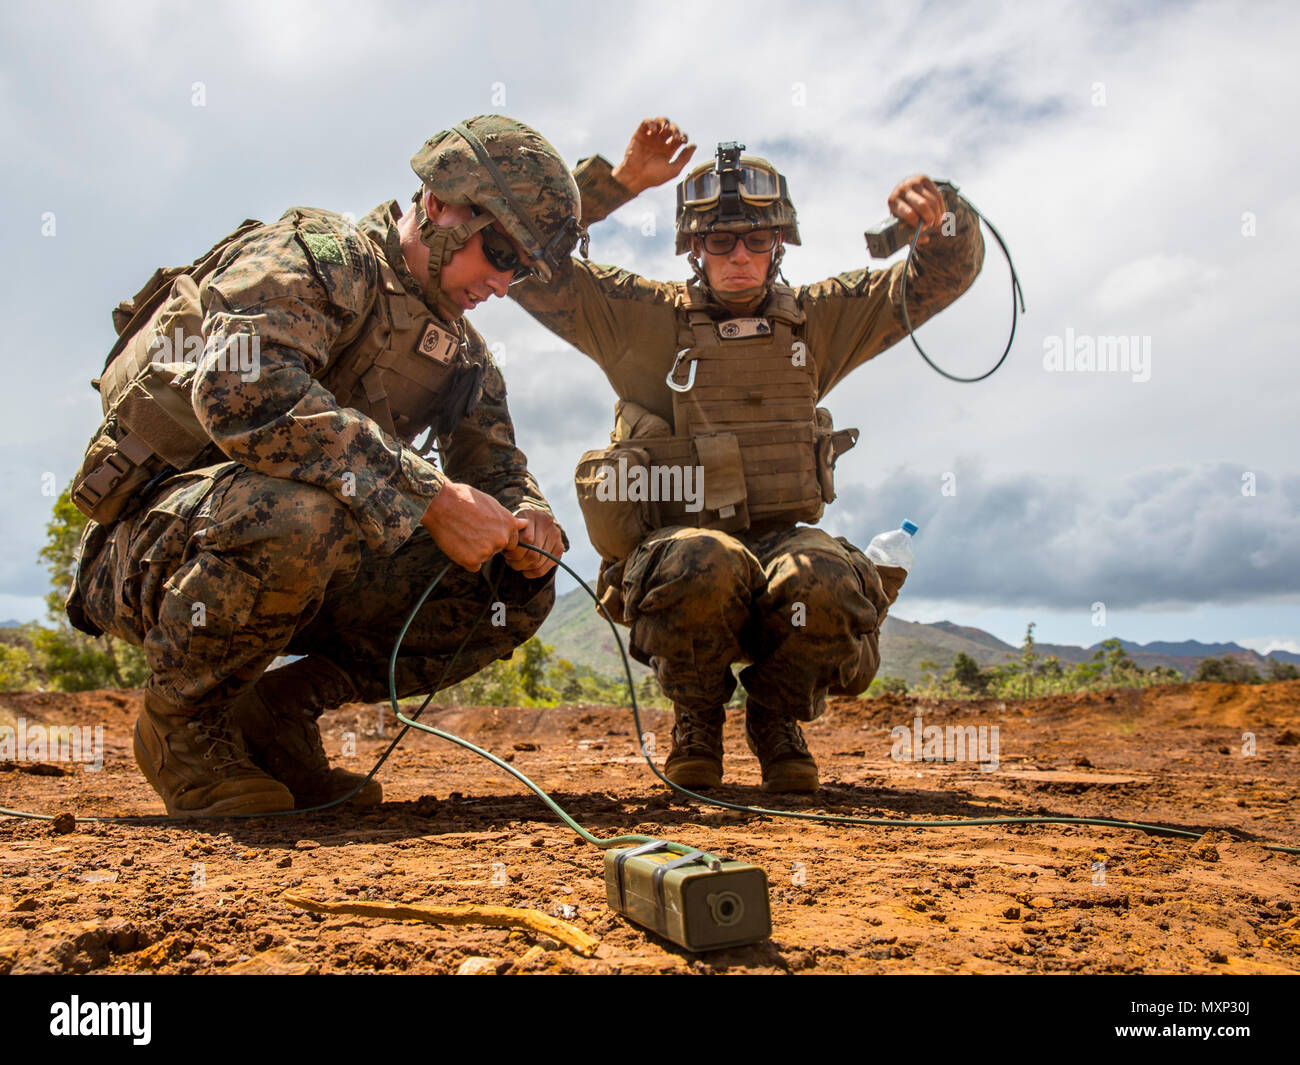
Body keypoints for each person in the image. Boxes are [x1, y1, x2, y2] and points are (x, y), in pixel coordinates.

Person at [65, 115, 576, 817]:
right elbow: (241, 391)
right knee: (306, 509)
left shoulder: (463, 355)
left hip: (304, 560)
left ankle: (274, 714)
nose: (503, 280)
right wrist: (428, 496)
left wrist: (529, 519)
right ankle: (182, 725)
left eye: (523, 267)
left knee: (508, 587)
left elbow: (495, 467)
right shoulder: (320, 255)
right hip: (154, 554)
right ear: (438, 206)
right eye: (500, 250)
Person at [511, 118, 985, 792]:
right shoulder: (641, 318)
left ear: (780, 244)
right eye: (720, 239)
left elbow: (933, 280)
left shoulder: (815, 321)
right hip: (682, 554)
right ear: (693, 247)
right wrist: (615, 185)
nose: (739, 254)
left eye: (757, 239)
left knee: (830, 580)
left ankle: (774, 714)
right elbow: (529, 266)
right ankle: (697, 717)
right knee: (707, 559)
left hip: (781, 541)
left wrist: (943, 221)